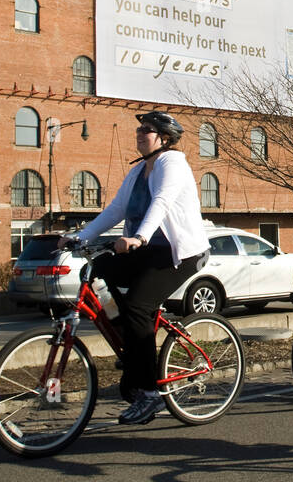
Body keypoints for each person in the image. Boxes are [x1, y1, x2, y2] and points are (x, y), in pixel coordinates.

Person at [68, 111, 211, 425]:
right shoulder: (137, 172)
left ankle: (148, 395)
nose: (139, 133)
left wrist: (139, 237)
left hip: (179, 254)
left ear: (164, 138)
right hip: (147, 251)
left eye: (147, 130)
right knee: (97, 271)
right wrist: (80, 237)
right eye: (139, 128)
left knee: (138, 304)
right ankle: (133, 344)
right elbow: (117, 208)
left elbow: (162, 201)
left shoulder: (171, 163)